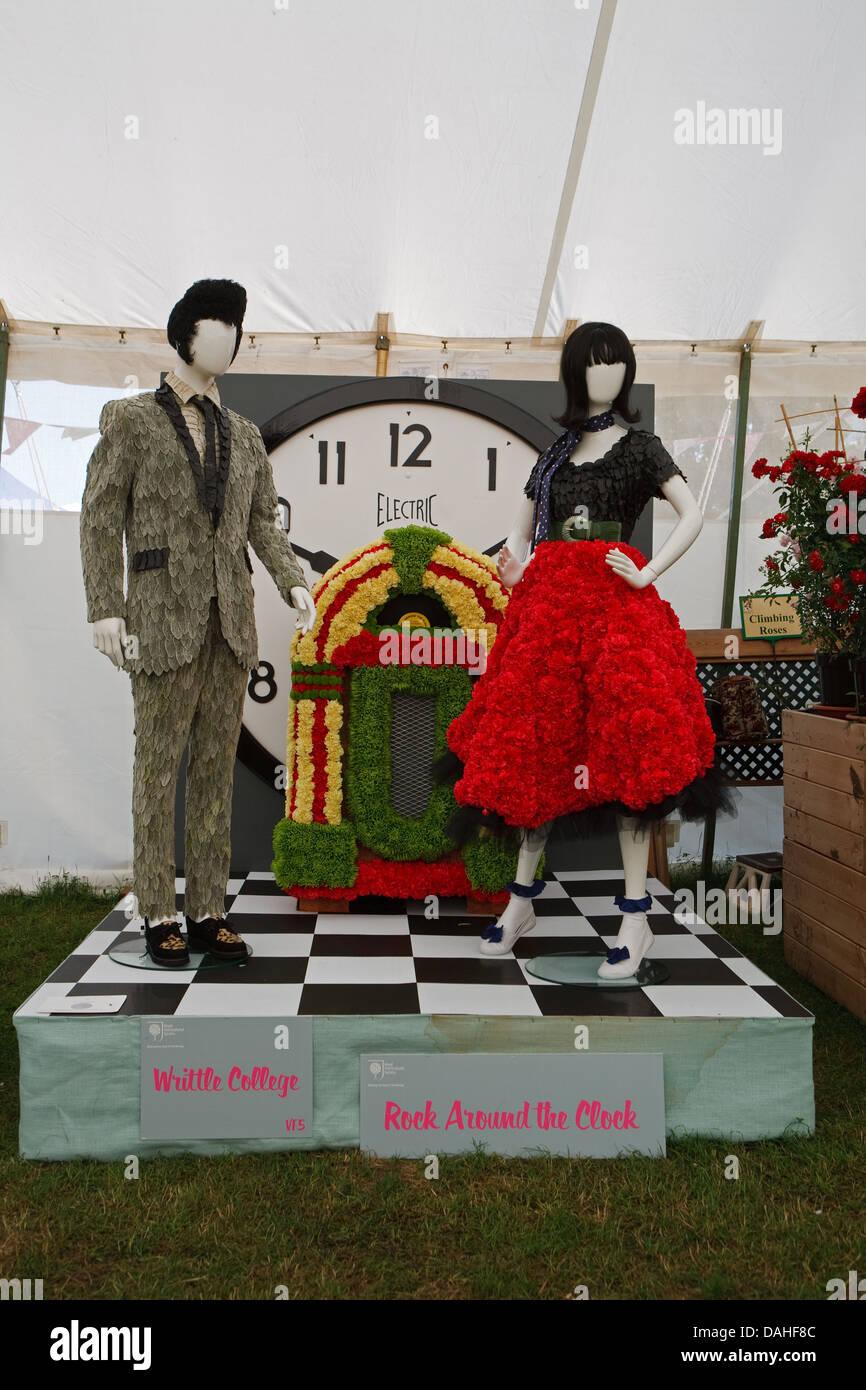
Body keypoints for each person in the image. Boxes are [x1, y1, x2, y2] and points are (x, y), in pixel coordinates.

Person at [444, 322, 730, 978]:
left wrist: (650, 572)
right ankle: (522, 901)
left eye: (617, 363)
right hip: (546, 615)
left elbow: (693, 510)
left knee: (630, 748)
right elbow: (517, 536)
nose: (608, 374)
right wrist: (511, 567)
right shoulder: (553, 455)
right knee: (537, 751)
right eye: (595, 364)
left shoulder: (641, 449)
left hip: (613, 612)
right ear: (576, 374)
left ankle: (635, 916)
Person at [80, 279, 315, 967]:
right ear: (184, 332)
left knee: (213, 769)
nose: (230, 339)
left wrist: (292, 580)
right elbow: (99, 520)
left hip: (229, 623)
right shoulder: (129, 420)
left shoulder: (243, 436)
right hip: (158, 620)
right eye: (219, 324)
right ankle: (156, 909)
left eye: (237, 327)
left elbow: (261, 525)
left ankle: (208, 907)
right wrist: (104, 607)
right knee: (157, 770)